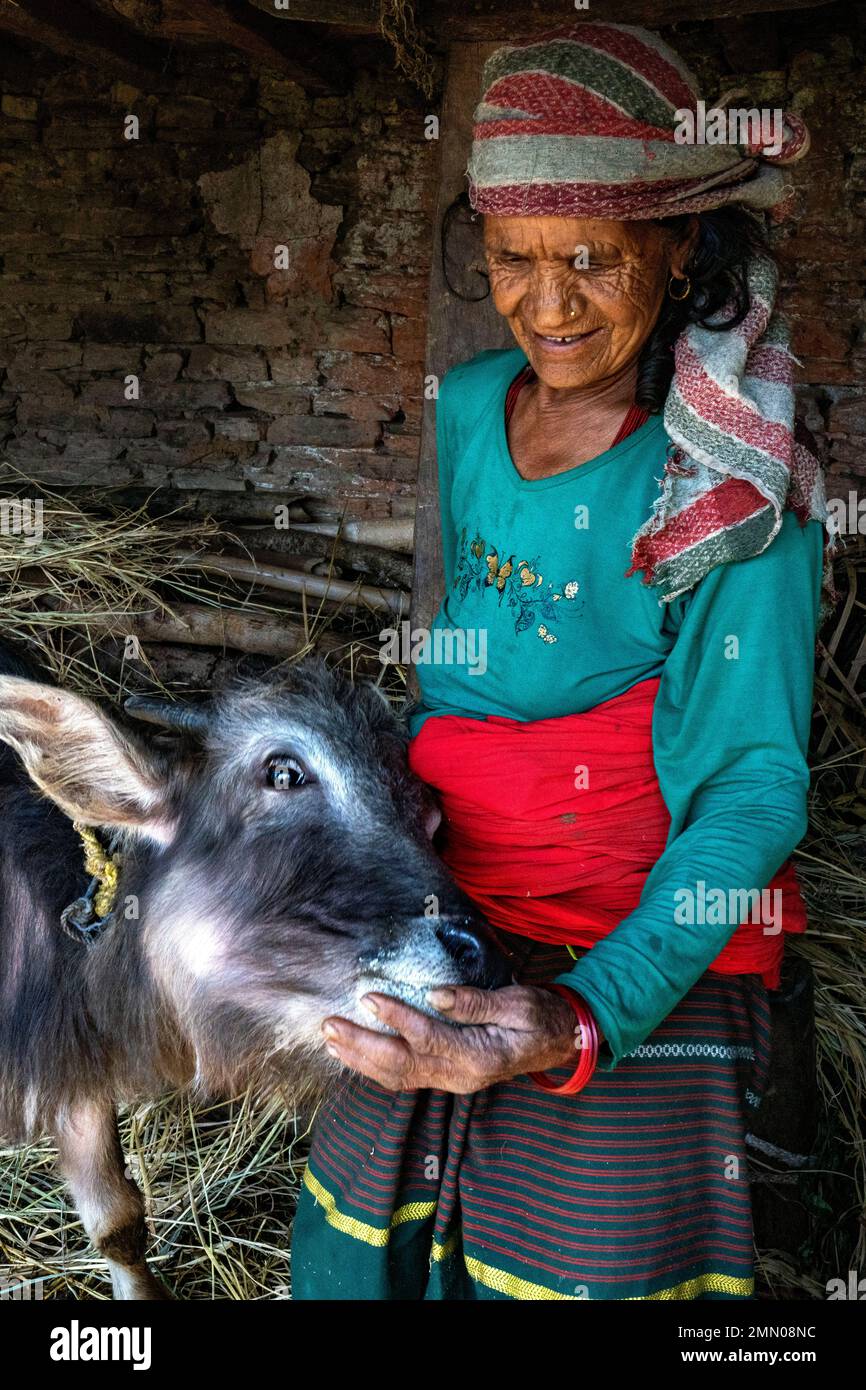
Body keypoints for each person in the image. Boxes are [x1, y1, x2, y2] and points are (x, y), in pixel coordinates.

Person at [291, 21, 834, 1301]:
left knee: (579, 1273)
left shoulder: (731, 486)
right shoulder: (477, 406)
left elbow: (754, 787)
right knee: (355, 1244)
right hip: (445, 901)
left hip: (638, 930)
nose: (546, 305)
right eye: (510, 260)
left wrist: (581, 1016)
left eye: (588, 260)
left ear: (680, 244)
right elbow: (480, 660)